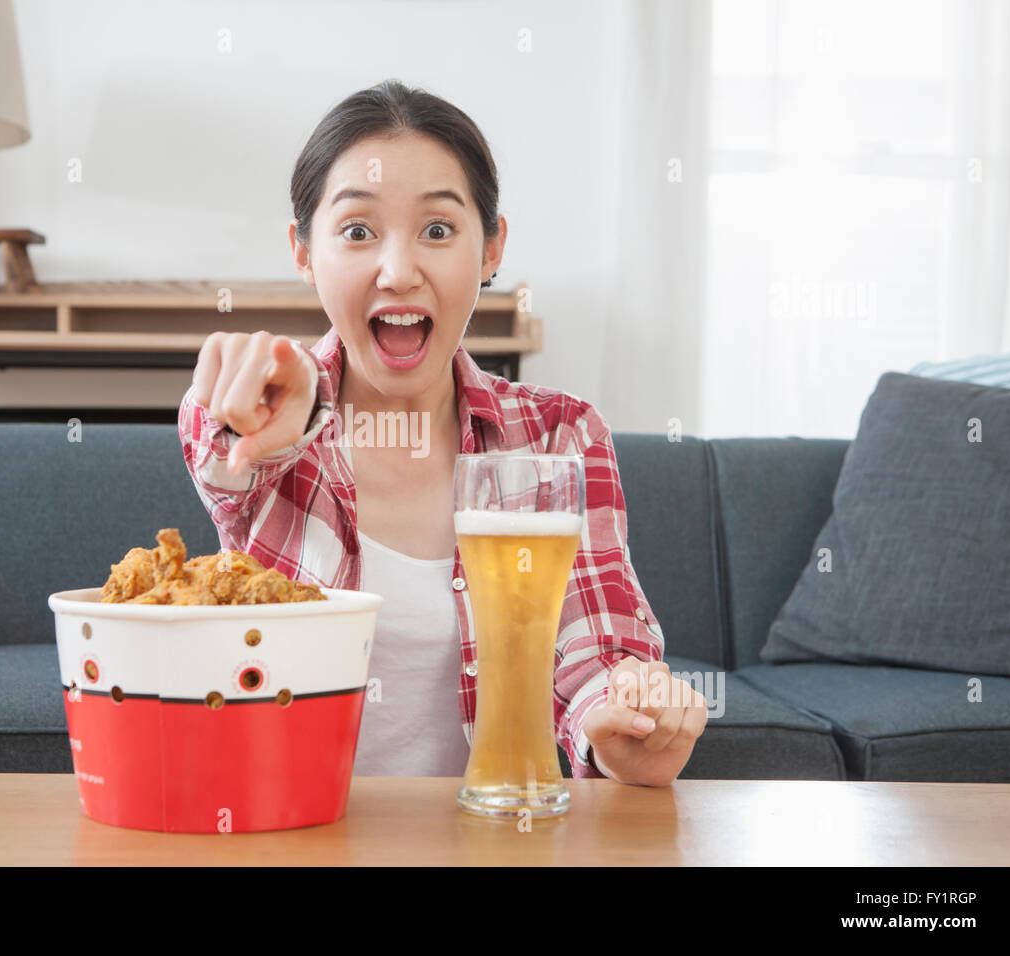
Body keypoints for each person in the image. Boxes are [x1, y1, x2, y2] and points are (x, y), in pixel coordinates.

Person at [179, 79, 707, 787]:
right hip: (284, 831)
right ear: (303, 252)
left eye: (437, 229)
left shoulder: (559, 435)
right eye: (358, 231)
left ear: (491, 250)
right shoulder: (275, 418)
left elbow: (598, 651)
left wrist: (623, 726)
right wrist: (293, 412)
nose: (399, 272)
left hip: (484, 840)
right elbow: (217, 449)